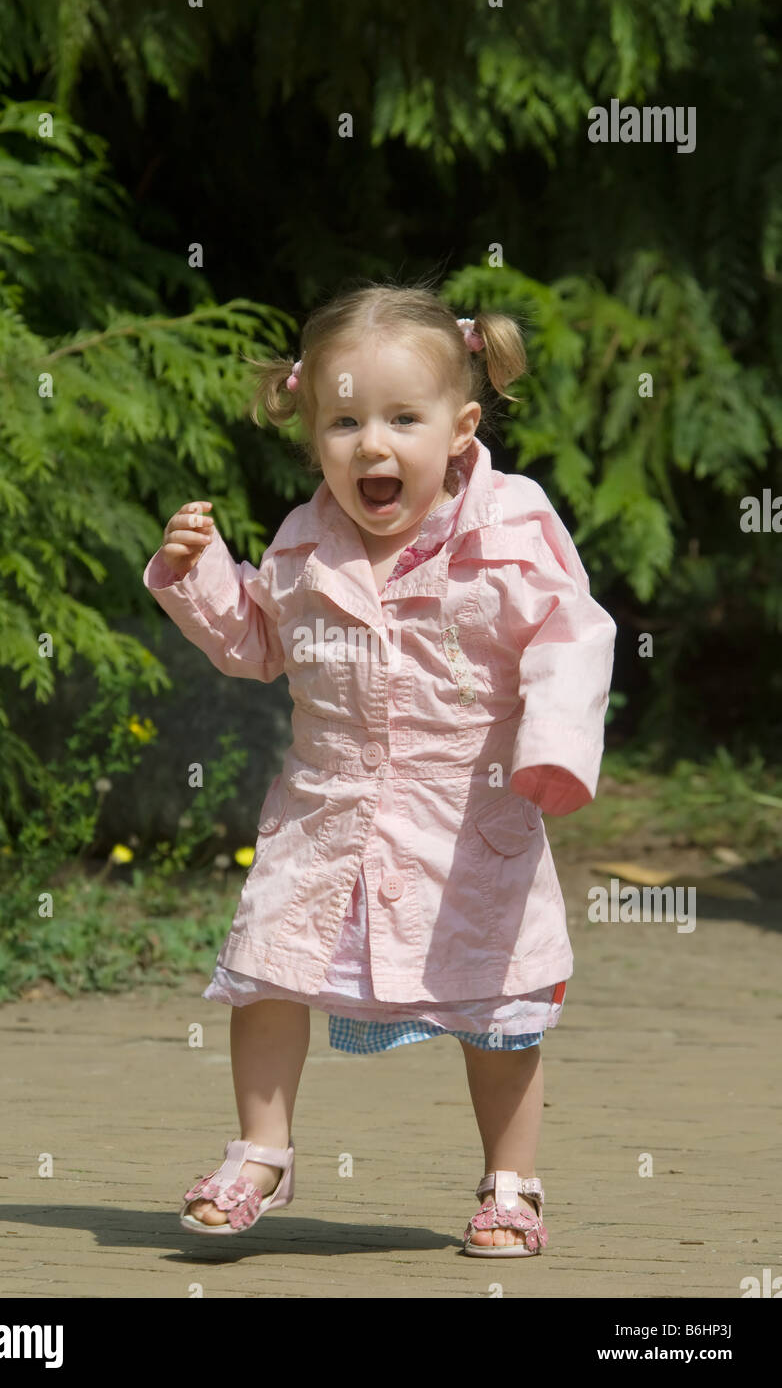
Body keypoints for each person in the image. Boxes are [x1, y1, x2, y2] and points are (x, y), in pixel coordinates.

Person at [142, 283, 617, 1257]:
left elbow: (573, 634)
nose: (373, 445)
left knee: (500, 1010)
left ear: (459, 426)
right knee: (269, 966)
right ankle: (261, 1151)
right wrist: (200, 572)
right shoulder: (303, 540)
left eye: (404, 418)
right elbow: (257, 642)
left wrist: (559, 748)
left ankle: (511, 1181)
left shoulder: (512, 529)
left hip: (470, 823)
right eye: (345, 419)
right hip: (325, 817)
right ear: (311, 430)